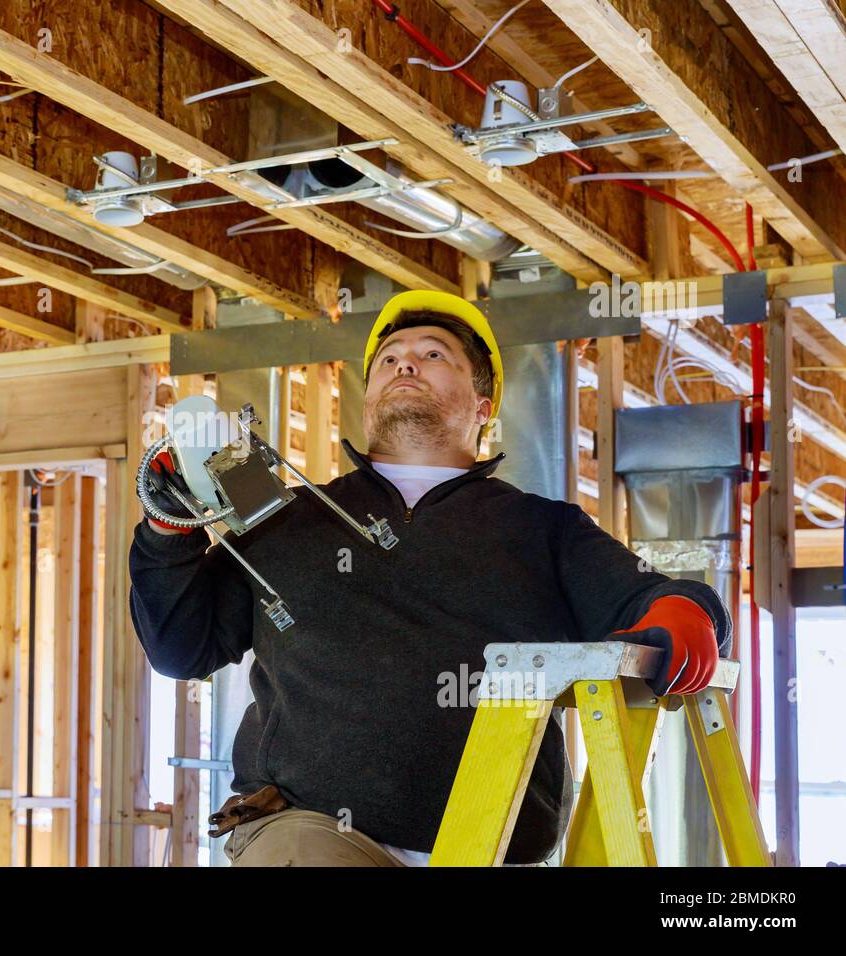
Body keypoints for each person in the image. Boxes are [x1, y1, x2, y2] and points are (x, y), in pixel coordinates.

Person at [128, 290, 731, 867]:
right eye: (389, 360)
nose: (405, 365)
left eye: (433, 354)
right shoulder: (286, 520)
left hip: (494, 840)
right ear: (368, 403)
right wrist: (167, 529)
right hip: (305, 829)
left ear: (483, 407)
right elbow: (182, 648)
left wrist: (686, 611)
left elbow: (652, 595)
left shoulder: (545, 531)